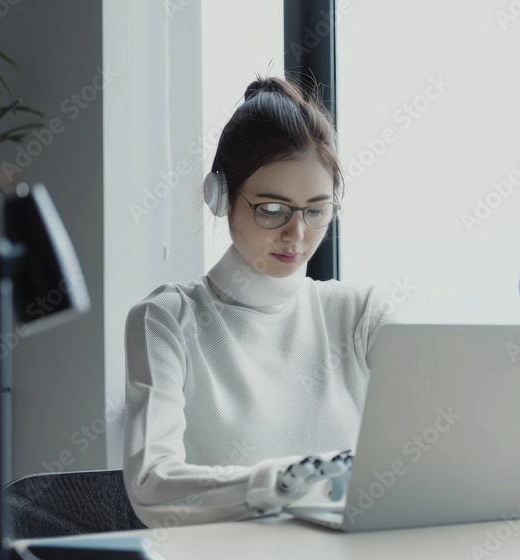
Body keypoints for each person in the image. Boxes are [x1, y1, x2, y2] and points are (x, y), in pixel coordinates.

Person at [123, 76, 391, 528]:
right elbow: (152, 484)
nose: (297, 234)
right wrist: (282, 482)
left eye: (316, 210)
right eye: (271, 209)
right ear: (219, 195)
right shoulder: (166, 320)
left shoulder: (359, 314)